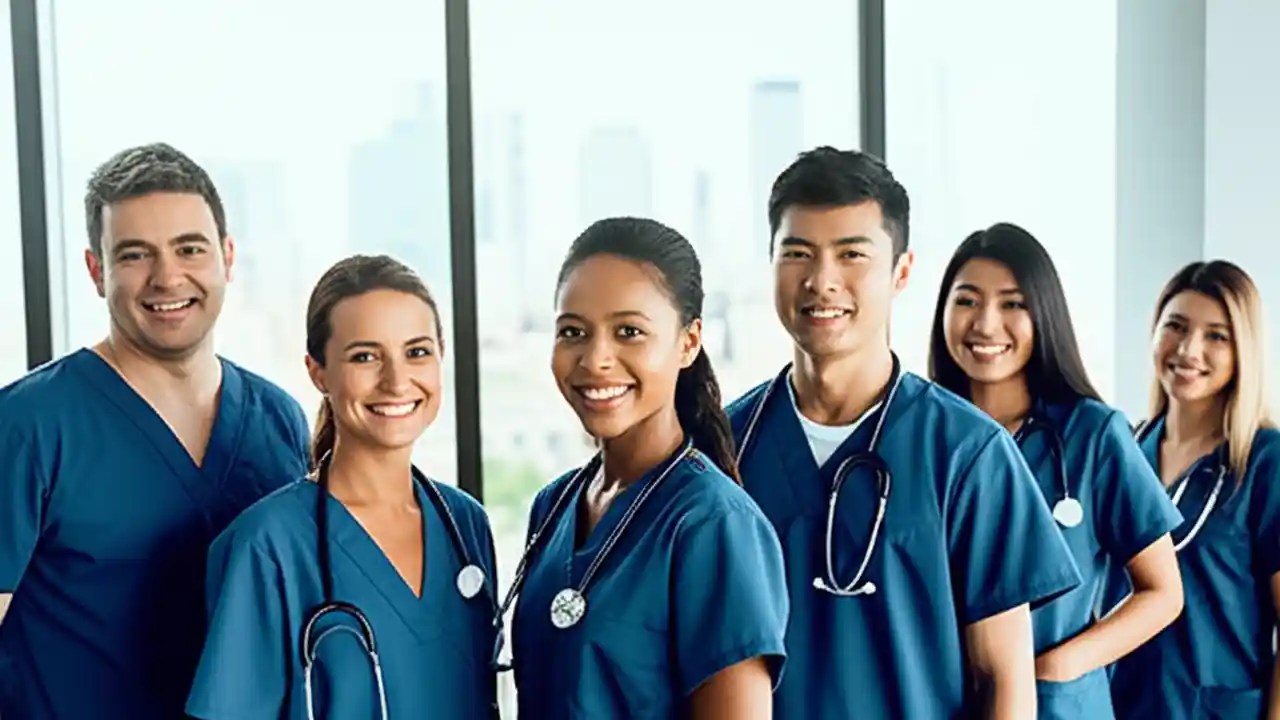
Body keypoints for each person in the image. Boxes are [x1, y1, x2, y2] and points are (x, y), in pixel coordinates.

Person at [725, 146, 1083, 719]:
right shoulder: (725, 447)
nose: (822, 280)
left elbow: (1004, 680)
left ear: (902, 272)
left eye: (852, 256)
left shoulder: (968, 453)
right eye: (798, 253)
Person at [0, 143, 311, 719]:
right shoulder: (27, 425)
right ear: (97, 271)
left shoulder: (278, 420)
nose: (167, 278)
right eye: (135, 255)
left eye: (189, 248)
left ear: (227, 256)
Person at [185, 255, 500, 719]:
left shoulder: (464, 523)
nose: (396, 380)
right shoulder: (269, 545)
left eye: (417, 352)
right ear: (319, 372)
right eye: (365, 357)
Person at [504, 217, 789, 719]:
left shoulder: (713, 525)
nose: (595, 359)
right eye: (573, 332)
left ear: (689, 341)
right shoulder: (554, 506)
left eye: (629, 332)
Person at [929, 222, 1185, 718]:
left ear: (1043, 313)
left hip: (1056, 704)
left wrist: (1058, 668)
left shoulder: (1092, 435)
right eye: (966, 300)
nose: (985, 323)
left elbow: (1163, 592)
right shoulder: (922, 434)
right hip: (943, 698)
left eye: (1012, 303)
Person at [1107, 260, 1279, 719]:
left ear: (1243, 349)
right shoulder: (1125, 450)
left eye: (1216, 336)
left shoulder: (1265, 462)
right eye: (1175, 327)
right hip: (1122, 703)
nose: (1188, 349)